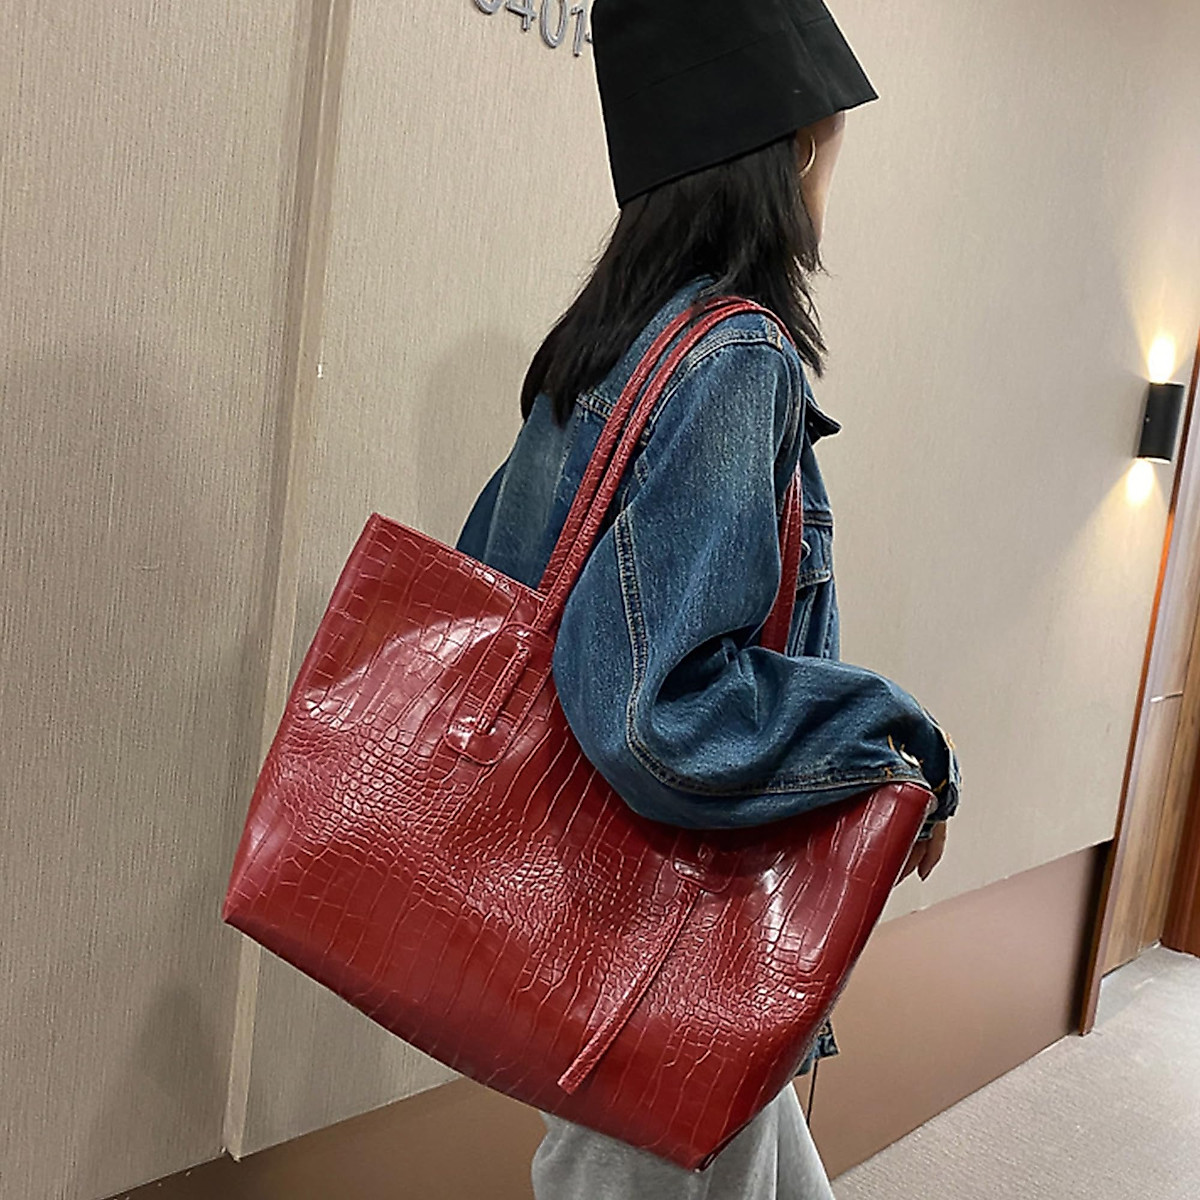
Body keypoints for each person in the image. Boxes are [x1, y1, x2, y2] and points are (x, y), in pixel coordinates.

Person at [455, 1, 961, 1195]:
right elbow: (656, 711)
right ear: (787, 153)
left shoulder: (608, 342)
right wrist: (888, 740)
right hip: (658, 948)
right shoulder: (738, 357)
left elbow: (499, 585)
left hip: (590, 920)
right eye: (826, 148)